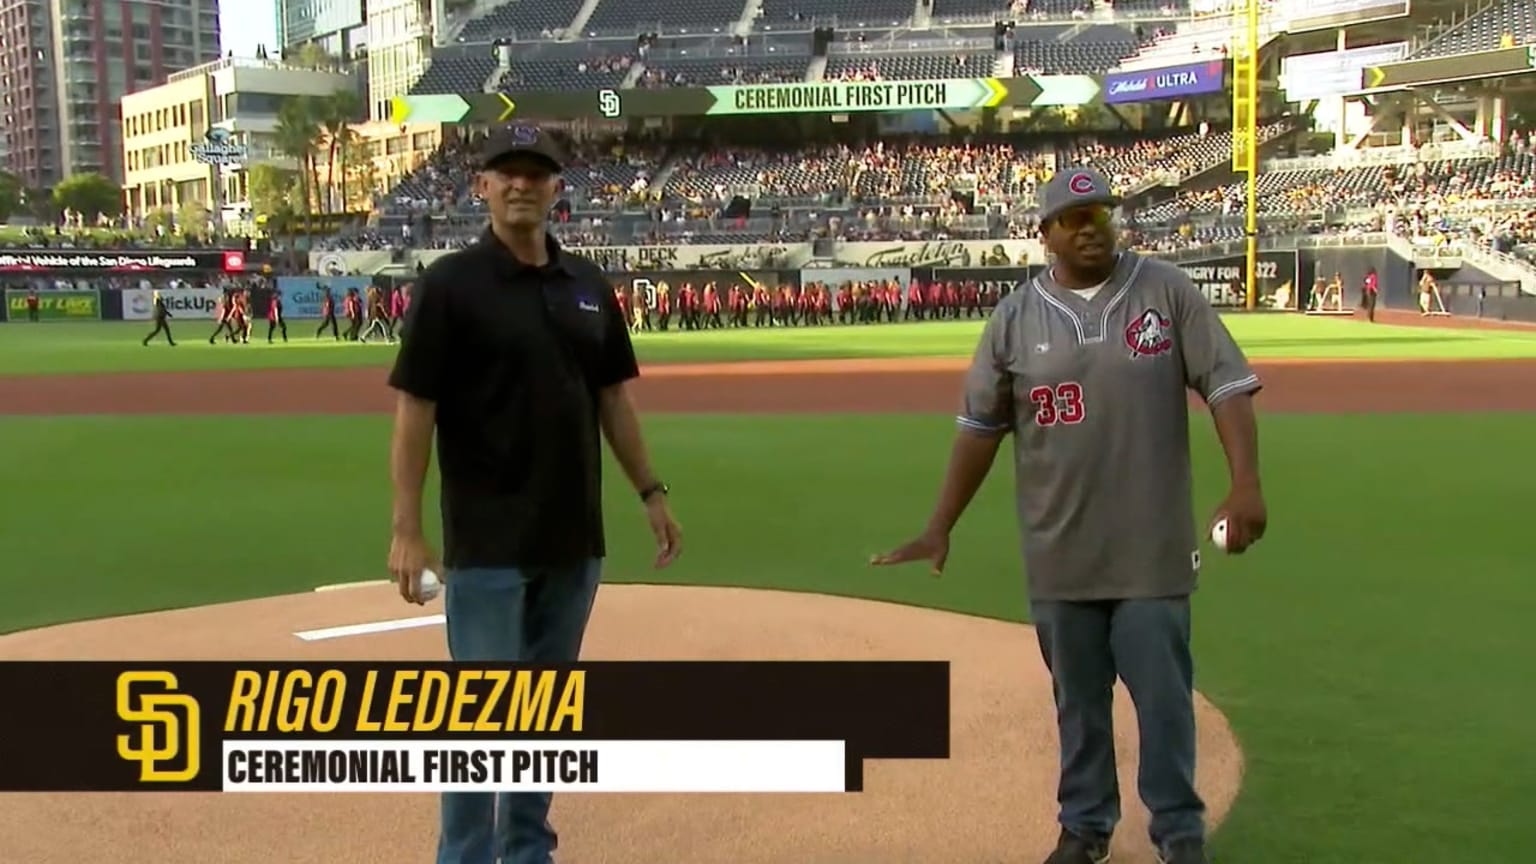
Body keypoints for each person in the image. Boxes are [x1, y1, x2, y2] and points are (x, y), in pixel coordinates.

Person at [871, 167, 1267, 864]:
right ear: (1046, 232)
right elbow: (978, 430)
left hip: (1153, 550)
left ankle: (1178, 833)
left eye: (1100, 213)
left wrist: (1246, 484)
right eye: (1073, 217)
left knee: (1164, 702)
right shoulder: (1015, 318)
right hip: (1061, 553)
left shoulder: (1166, 291)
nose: (1090, 226)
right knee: (1078, 707)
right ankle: (1085, 828)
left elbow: (1228, 386)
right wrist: (941, 524)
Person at [385, 122, 684, 864]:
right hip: (486, 542)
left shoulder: (587, 286)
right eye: (506, 173)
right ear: (481, 185)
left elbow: (613, 398)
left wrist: (650, 490)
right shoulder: (450, 284)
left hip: (572, 538)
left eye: (537, 173)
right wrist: (407, 529)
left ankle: (526, 853)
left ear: (557, 188)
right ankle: (463, 857)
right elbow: (414, 407)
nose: (522, 184)